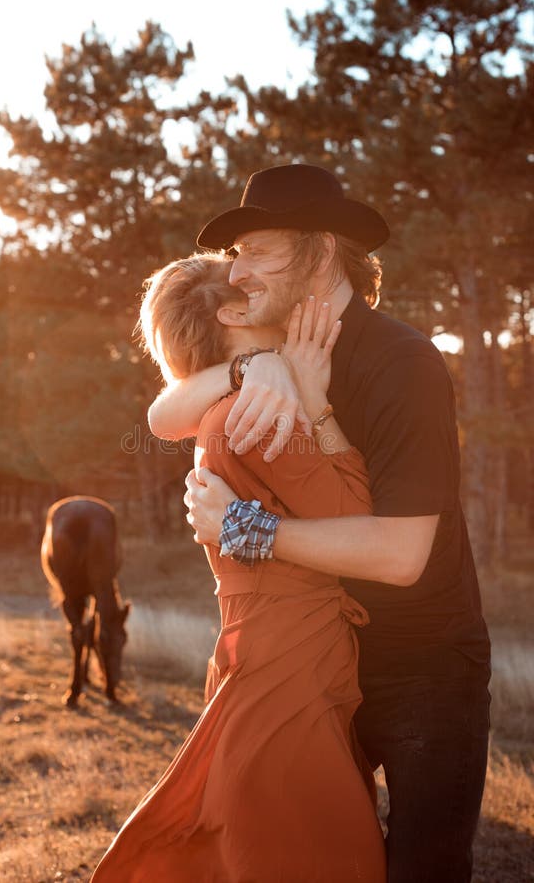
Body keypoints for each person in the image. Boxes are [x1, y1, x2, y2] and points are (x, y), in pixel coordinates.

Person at [151, 164, 492, 883]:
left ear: (324, 250)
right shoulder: (268, 350)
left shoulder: (404, 363)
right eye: (235, 253)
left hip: (423, 669)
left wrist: (243, 528)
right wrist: (251, 373)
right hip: (324, 658)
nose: (237, 270)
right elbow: (161, 414)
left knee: (421, 868)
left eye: (258, 249)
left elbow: (401, 557)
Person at [90, 252, 386, 882]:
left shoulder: (220, 410)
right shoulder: (257, 413)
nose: (269, 290)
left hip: (261, 650)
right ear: (232, 312)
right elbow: (358, 513)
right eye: (250, 286)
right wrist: (319, 407)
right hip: (288, 668)